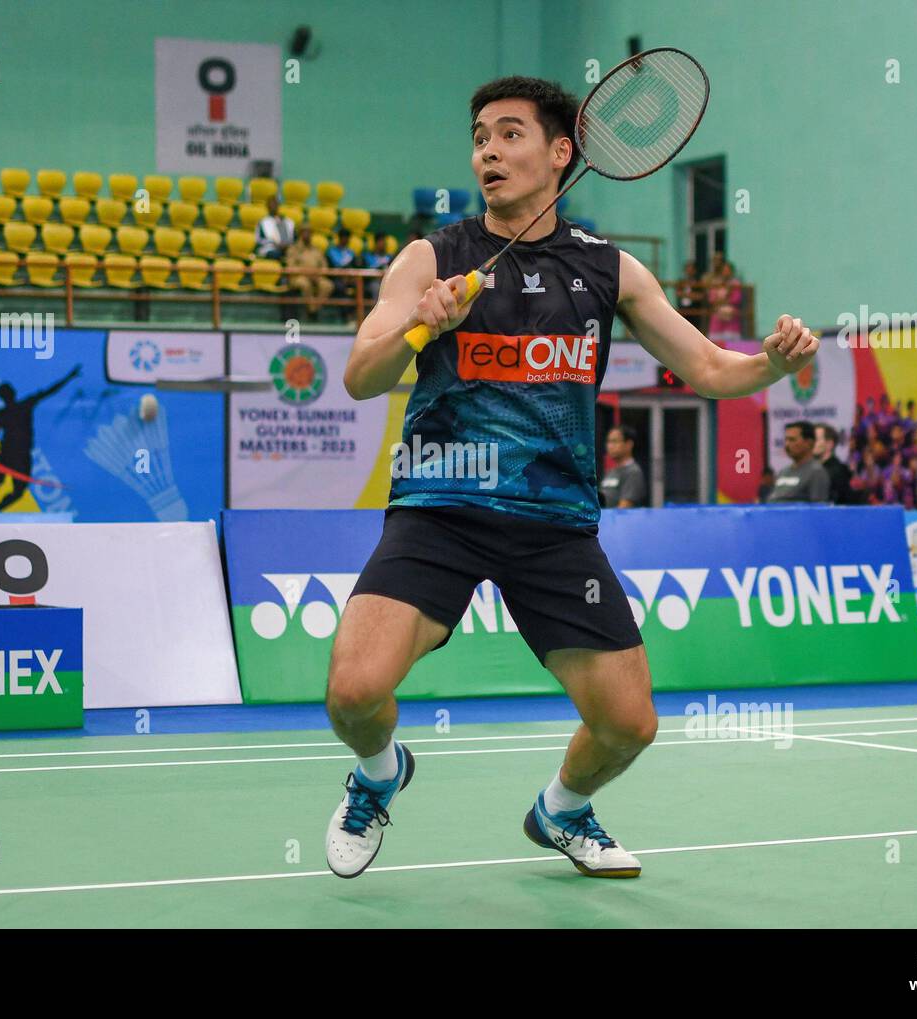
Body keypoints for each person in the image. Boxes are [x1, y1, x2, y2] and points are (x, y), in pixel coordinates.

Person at [325, 75, 819, 880]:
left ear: (561, 153)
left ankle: (561, 809)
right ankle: (379, 772)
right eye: (481, 135)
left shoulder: (608, 270)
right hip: (440, 508)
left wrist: (772, 360)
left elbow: (707, 366)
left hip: (554, 522)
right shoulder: (432, 258)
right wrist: (425, 323)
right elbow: (358, 377)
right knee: (353, 690)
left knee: (630, 724)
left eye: (511, 133)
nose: (489, 149)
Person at [0, 365, 82, 512]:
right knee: (16, 492)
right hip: (19, 455)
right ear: (13, 393)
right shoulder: (24, 405)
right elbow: (49, 392)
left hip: (9, 454)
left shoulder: (1, 413)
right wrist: (69, 377)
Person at [765, 420, 830, 502]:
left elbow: (818, 509)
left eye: (792, 440)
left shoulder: (817, 473)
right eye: (786, 440)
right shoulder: (783, 472)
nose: (787, 445)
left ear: (809, 443)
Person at [285, 225, 333, 320]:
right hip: (298, 277)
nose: (307, 235)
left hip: (316, 277)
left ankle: (313, 309)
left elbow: (325, 267)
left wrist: (318, 275)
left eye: (309, 233)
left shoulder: (316, 250)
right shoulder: (293, 249)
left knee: (327, 285)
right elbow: (291, 267)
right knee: (305, 284)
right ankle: (312, 312)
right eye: (304, 232)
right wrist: (306, 274)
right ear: (300, 234)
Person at [599, 424, 646, 508]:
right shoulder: (610, 471)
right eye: (608, 441)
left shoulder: (633, 472)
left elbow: (624, 508)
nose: (610, 446)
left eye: (614, 441)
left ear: (629, 444)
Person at [325, 228, 360, 321]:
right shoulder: (331, 252)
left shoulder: (350, 253)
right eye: (344, 237)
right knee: (340, 287)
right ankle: (345, 316)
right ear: (340, 238)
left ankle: (356, 315)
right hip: (335, 278)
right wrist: (341, 277)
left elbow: (354, 268)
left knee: (359, 286)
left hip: (349, 278)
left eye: (347, 237)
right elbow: (330, 269)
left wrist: (349, 278)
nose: (346, 239)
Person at [814, 423, 854, 504]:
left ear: (829, 444)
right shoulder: (810, 469)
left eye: (816, 440)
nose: (810, 444)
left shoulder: (839, 471)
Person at [254, 195, 295, 260]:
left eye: (275, 203)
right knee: (276, 254)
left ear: (278, 205)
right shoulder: (262, 222)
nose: (273, 206)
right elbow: (259, 240)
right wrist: (274, 243)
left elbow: (293, 239)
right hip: (269, 249)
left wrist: (287, 245)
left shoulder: (288, 222)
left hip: (288, 249)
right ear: (267, 206)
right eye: (271, 204)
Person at [362, 233, 393, 303]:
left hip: (387, 282)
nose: (383, 244)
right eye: (381, 241)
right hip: (371, 283)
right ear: (376, 242)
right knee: (376, 287)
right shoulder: (368, 256)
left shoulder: (389, 257)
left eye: (384, 242)